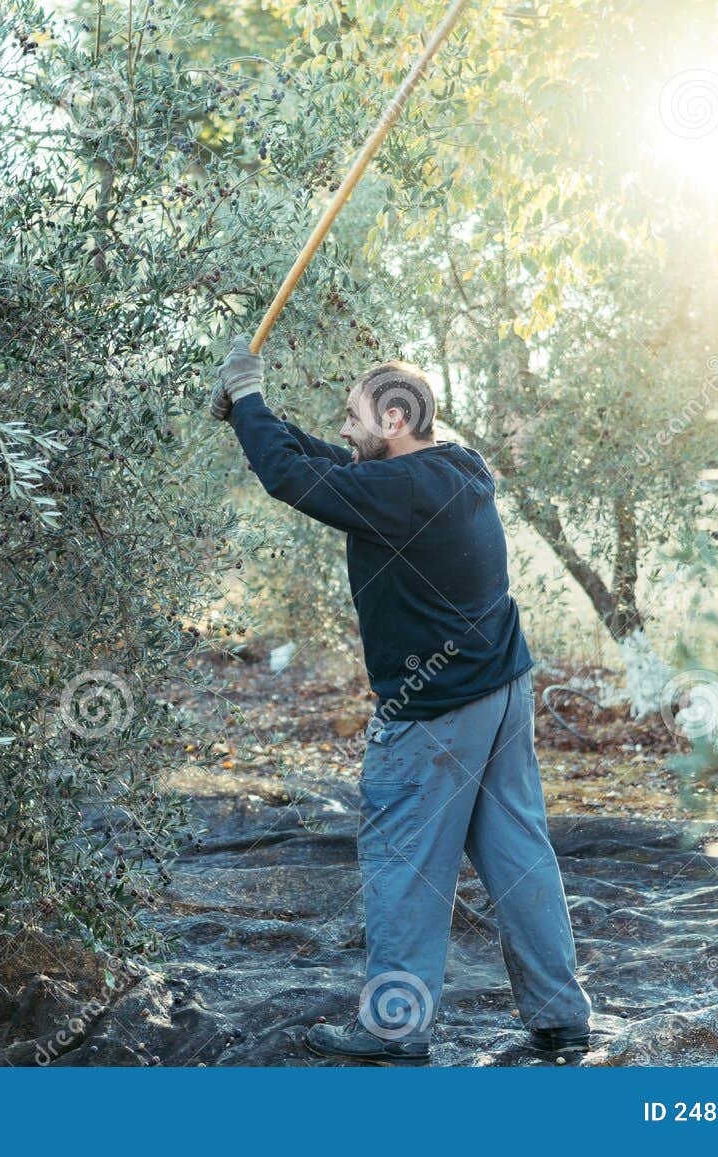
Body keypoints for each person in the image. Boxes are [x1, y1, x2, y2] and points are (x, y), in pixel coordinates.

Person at [210, 337, 593, 1066]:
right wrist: (246, 416)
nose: (345, 429)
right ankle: (561, 1016)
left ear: (392, 417)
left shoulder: (398, 491)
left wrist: (252, 393)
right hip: (503, 693)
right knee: (519, 855)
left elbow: (295, 479)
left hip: (437, 713)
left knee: (402, 860)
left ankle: (392, 1029)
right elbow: (322, 461)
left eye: (353, 417)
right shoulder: (455, 467)